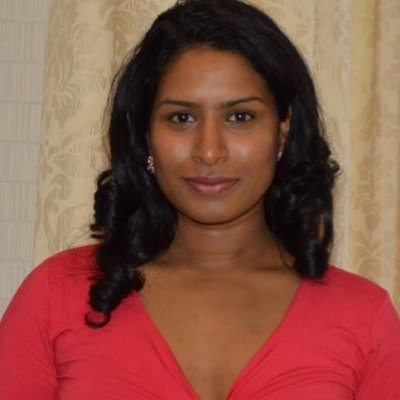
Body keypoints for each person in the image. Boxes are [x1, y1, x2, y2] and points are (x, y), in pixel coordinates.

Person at [1, 0, 399, 399]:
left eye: (240, 117)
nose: (209, 151)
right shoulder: (56, 296)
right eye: (182, 118)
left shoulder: (364, 317)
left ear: (283, 130)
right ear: (145, 134)